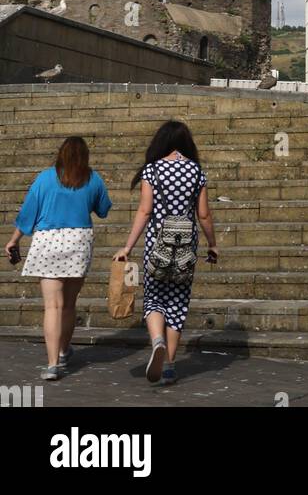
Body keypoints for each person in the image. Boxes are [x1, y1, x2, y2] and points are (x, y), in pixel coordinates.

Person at [113, 120, 217, 387]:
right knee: (178, 303)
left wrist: (127, 247)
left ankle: (156, 341)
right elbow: (203, 214)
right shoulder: (196, 171)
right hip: (186, 246)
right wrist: (212, 244)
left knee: (154, 299)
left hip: (156, 244)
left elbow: (145, 211)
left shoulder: (152, 170)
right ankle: (169, 366)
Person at [4, 136, 111, 381]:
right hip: (78, 242)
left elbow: (29, 212)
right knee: (69, 305)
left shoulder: (44, 178)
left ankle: (53, 365)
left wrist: (14, 239)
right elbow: (103, 210)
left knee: (52, 306)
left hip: (48, 242)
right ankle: (63, 351)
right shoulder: (92, 179)